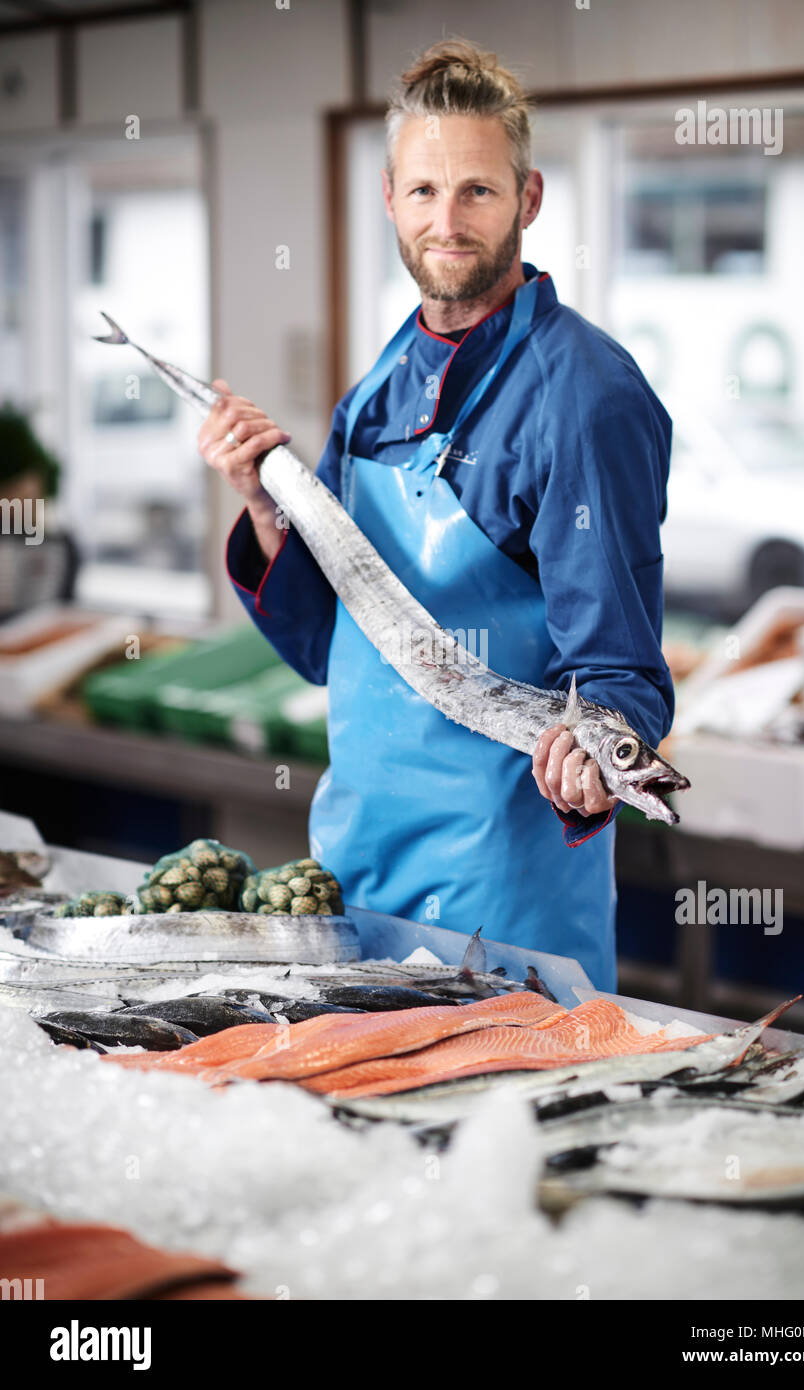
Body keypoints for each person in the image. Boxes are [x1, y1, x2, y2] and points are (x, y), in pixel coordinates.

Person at [197, 40, 674, 990]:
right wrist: (261, 503)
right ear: (388, 200)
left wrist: (599, 747)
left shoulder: (585, 395)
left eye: (477, 192)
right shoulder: (378, 386)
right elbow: (332, 643)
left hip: (502, 894)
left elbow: (620, 669)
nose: (445, 221)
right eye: (423, 192)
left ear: (528, 199)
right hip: (354, 862)